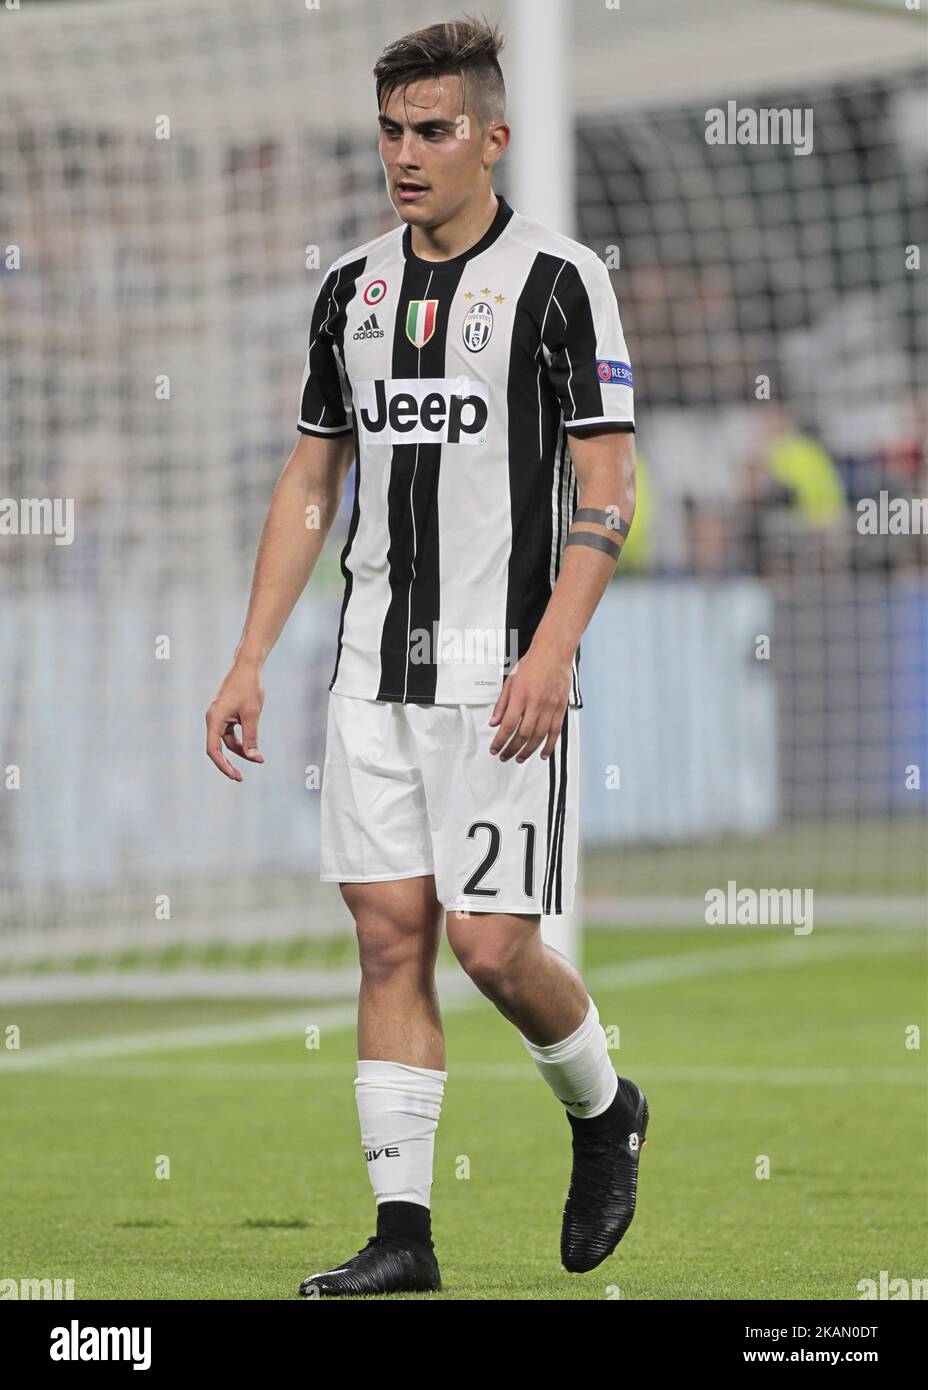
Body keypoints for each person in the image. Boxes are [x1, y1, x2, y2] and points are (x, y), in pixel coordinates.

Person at [206, 14, 647, 1298]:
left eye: (434, 129)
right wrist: (247, 658)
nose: (408, 153)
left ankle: (604, 1109)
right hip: (368, 675)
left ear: (493, 138)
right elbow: (311, 475)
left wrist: (554, 648)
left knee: (493, 947)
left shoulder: (561, 281)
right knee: (388, 938)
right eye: (393, 130)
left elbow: (605, 481)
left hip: (500, 672)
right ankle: (405, 1232)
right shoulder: (349, 288)